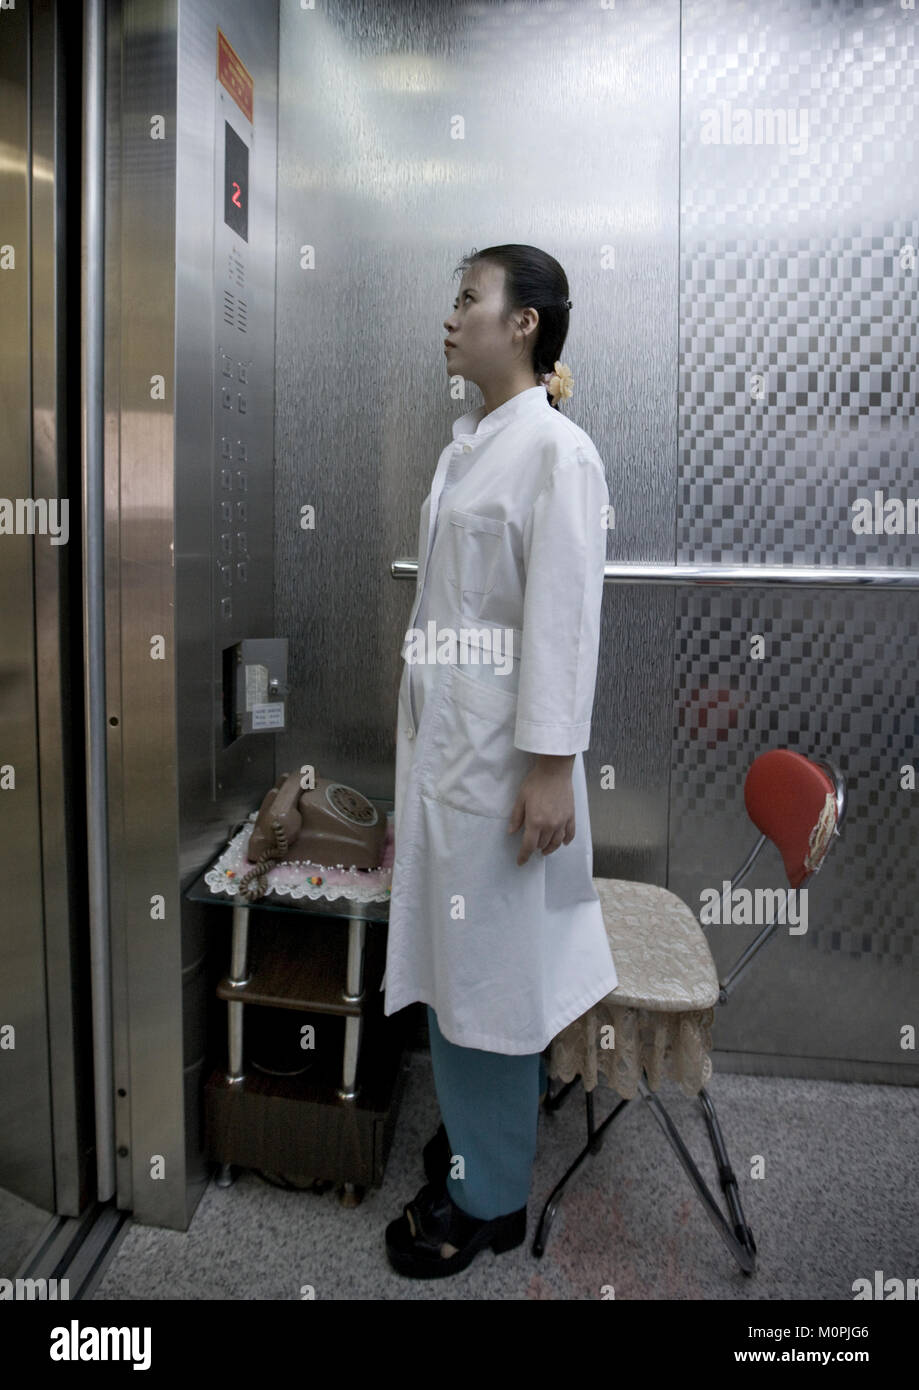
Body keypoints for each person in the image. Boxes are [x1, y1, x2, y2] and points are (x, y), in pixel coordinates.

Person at [382, 244, 618, 1278]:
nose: (451, 316)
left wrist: (552, 766)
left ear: (522, 324)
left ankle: (490, 1199)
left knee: (490, 976)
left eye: (468, 298)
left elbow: (564, 616)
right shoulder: (467, 446)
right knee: (453, 962)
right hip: (447, 752)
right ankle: (478, 1140)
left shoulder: (556, 453)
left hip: (504, 765)